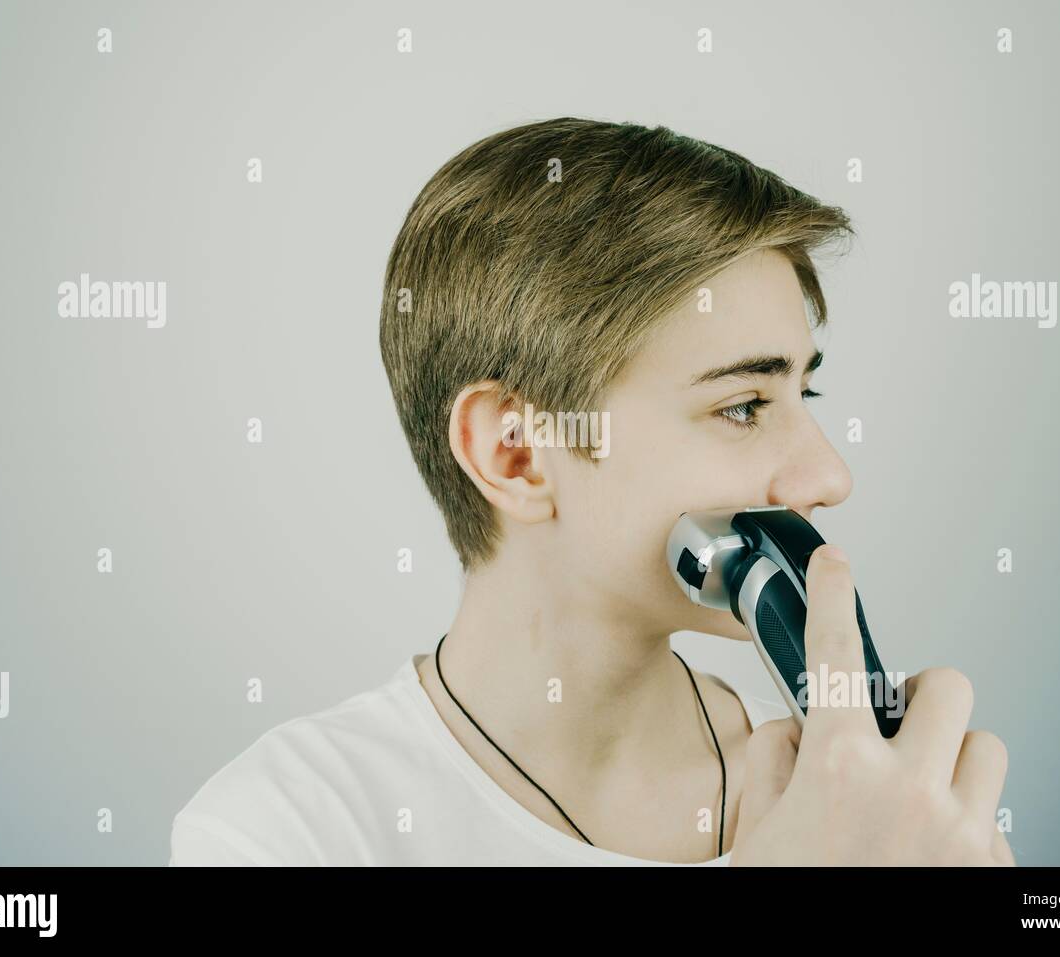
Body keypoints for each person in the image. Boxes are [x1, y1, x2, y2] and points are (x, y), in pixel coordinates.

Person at [170, 117, 1014, 866]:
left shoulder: (871, 805)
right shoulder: (284, 831)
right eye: (744, 405)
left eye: (806, 395)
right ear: (516, 453)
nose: (830, 476)